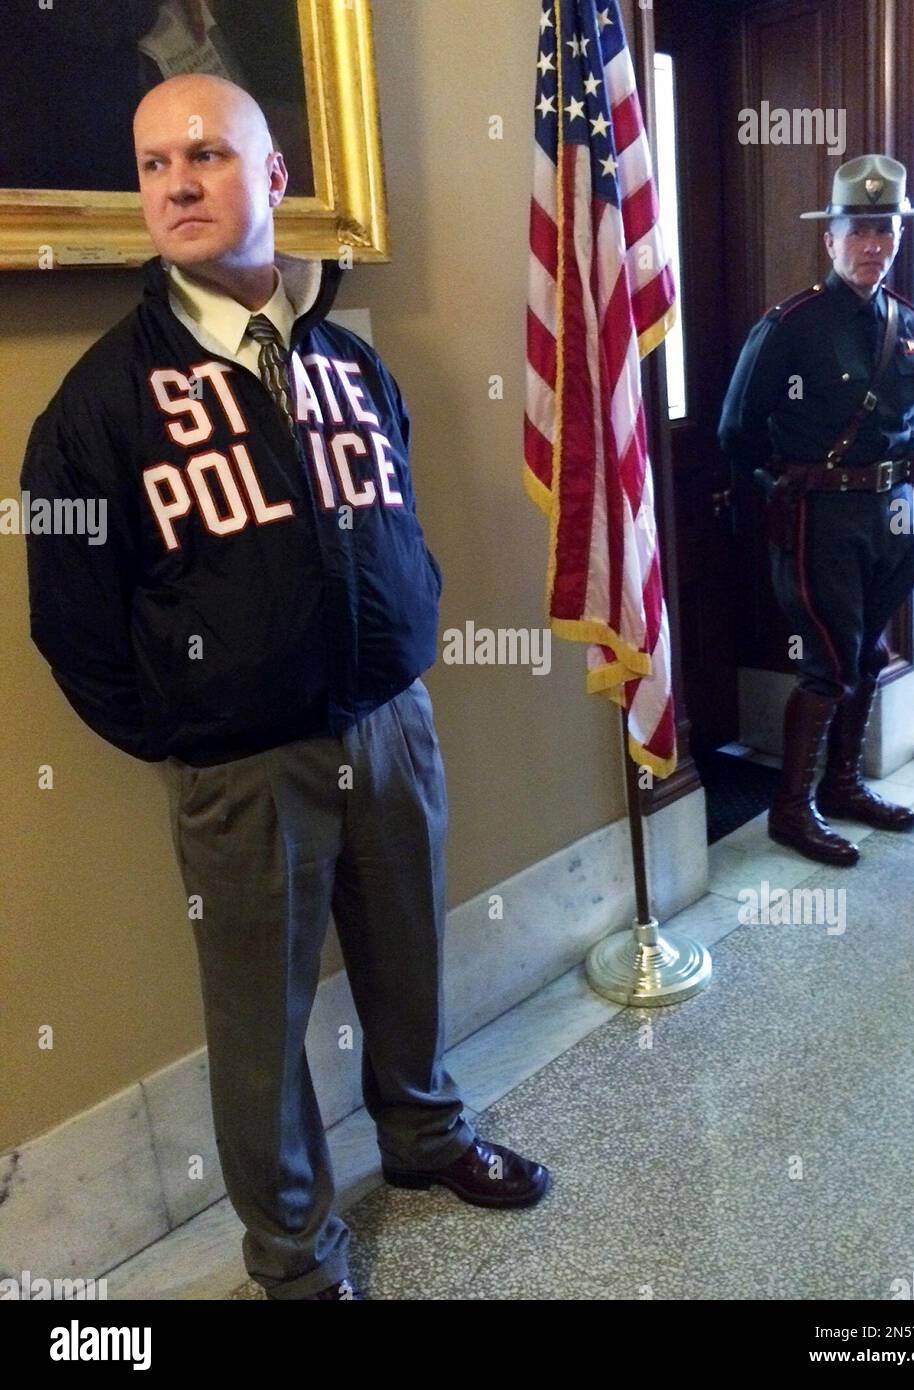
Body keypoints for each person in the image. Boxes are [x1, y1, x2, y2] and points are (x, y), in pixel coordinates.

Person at [20, 73, 549, 1302]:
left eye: (205, 155)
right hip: (241, 766)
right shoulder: (99, 403)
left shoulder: (347, 361)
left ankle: (421, 1137)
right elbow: (73, 621)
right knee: (258, 1024)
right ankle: (295, 1253)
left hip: (391, 723)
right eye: (153, 165)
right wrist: (192, 730)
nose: (177, 184)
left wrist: (399, 642)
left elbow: (397, 512)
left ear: (273, 177)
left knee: (408, 953)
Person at [718, 155, 914, 867]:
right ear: (829, 238)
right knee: (829, 664)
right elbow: (736, 431)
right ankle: (791, 808)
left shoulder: (908, 323)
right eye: (858, 229)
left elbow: (906, 428)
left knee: (869, 653)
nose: (873, 245)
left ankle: (842, 786)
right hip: (822, 520)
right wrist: (777, 490)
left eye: (885, 230)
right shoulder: (791, 325)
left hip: (893, 516)